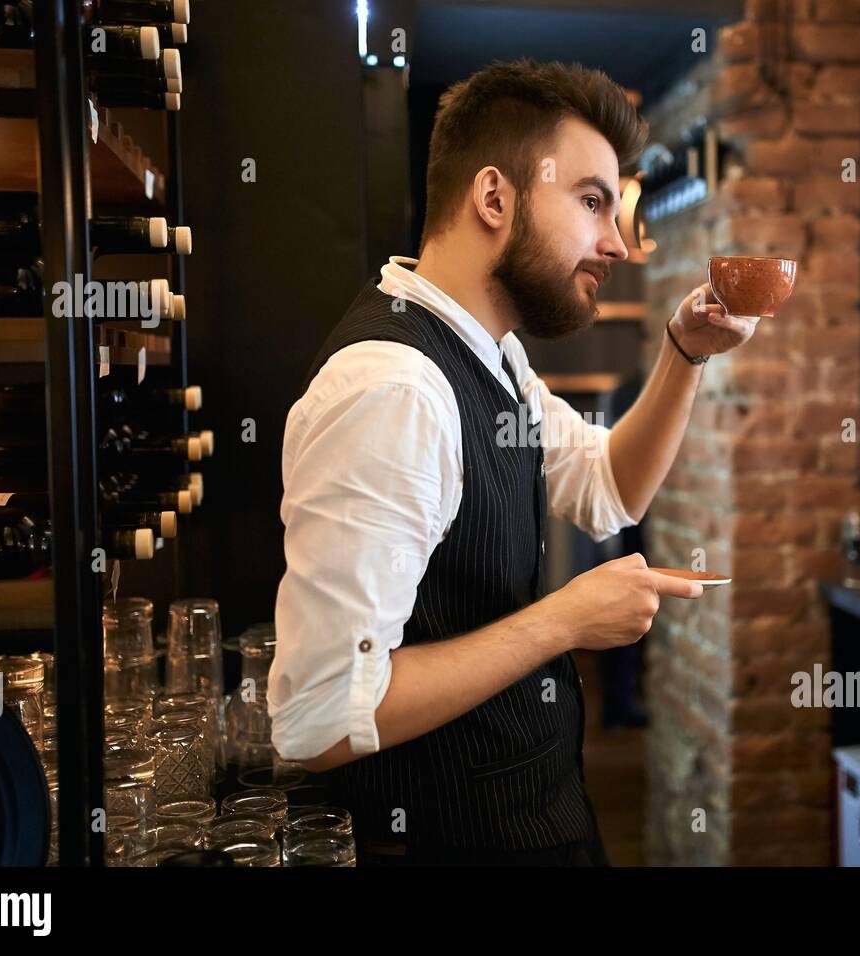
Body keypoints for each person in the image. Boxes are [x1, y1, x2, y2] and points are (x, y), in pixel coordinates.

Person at [269, 59, 760, 866]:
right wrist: (564, 620)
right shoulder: (396, 389)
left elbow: (609, 488)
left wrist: (683, 353)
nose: (617, 241)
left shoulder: (493, 354)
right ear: (493, 197)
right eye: (593, 201)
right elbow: (321, 715)